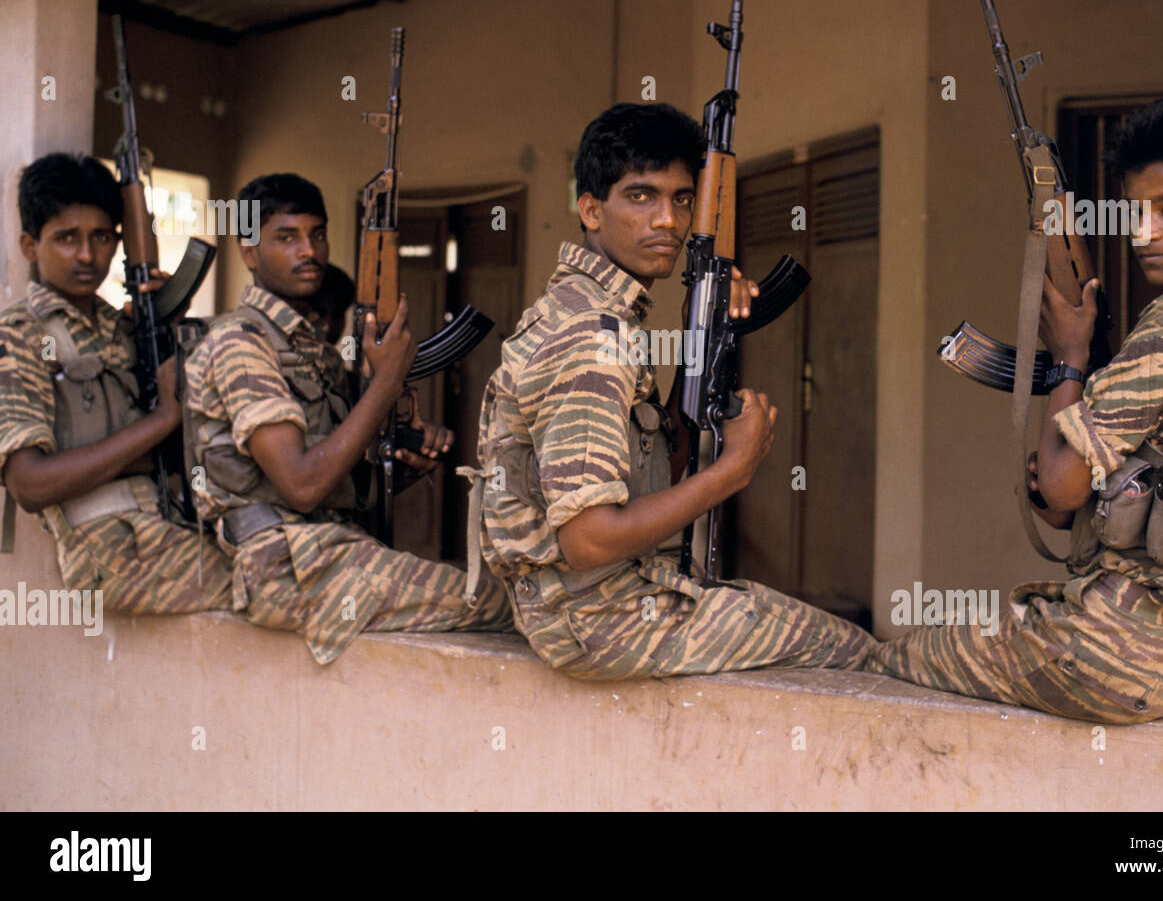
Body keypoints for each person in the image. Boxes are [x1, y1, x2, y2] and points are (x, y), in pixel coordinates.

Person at [865, 96, 1163, 723]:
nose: (1147, 233)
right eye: (1136, 213)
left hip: (1104, 649)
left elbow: (1060, 490)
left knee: (882, 662)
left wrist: (1069, 357)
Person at [466, 103, 872, 680]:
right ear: (590, 209)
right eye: (641, 196)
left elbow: (657, 466)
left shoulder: (594, 311)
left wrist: (697, 336)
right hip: (601, 619)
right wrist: (734, 469)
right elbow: (589, 539)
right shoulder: (592, 337)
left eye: (682, 199)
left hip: (596, 604)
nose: (668, 221)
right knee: (857, 655)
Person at [184, 172, 511, 664]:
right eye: (286, 237)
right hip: (285, 565)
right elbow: (301, 485)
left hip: (323, 547)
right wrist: (384, 384)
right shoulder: (241, 343)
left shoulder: (309, 347)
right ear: (249, 252)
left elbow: (334, 478)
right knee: (496, 600)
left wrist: (402, 469)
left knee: (496, 587)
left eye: (317, 234)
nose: (309, 251)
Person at [0, 153, 232, 612]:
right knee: (268, 585)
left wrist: (164, 326)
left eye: (101, 237)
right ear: (30, 246)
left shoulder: (122, 326)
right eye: (66, 238)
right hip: (108, 552)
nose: (87, 255)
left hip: (170, 522)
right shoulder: (19, 335)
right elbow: (29, 484)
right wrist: (161, 419)